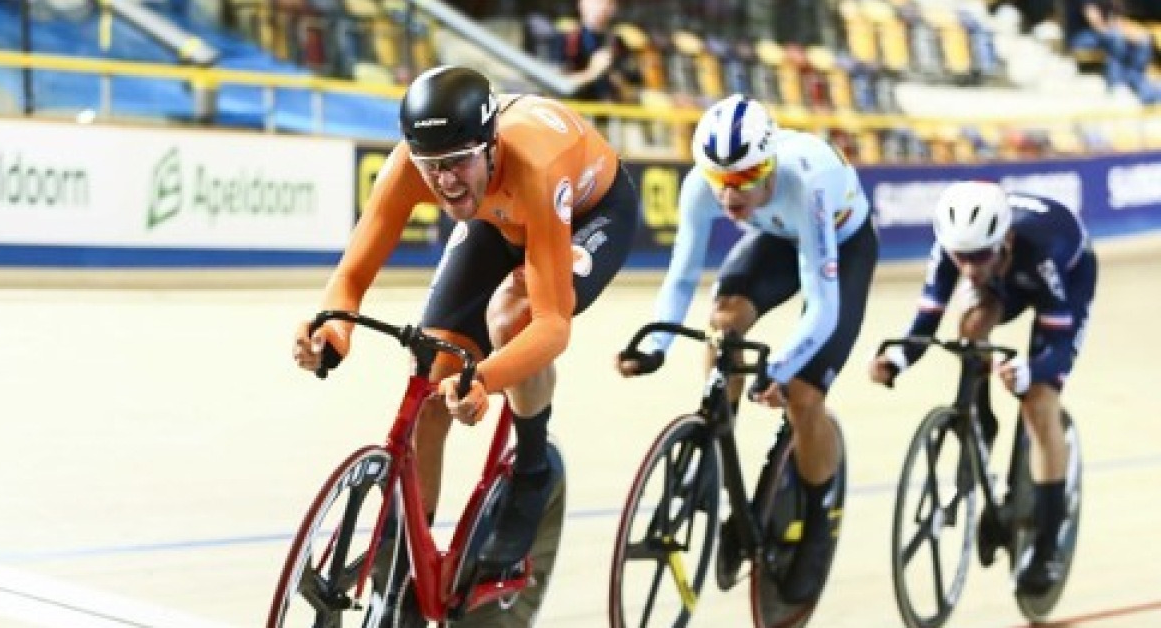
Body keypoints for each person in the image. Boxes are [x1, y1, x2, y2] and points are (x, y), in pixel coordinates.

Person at [292, 65, 639, 579]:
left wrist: (485, 378)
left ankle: (532, 470)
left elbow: (551, 325)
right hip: (500, 218)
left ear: (490, 145)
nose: (444, 180)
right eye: (431, 165)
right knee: (431, 370)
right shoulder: (413, 167)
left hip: (589, 214)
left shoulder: (533, 164)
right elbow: (351, 276)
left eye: (457, 163)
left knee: (514, 315)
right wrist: (333, 331)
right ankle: (404, 569)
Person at [616, 93, 878, 604]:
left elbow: (822, 307)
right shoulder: (704, 182)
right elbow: (683, 275)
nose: (728, 196)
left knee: (803, 395)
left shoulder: (809, 182)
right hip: (777, 239)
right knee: (724, 322)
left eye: (741, 180)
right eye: (719, 182)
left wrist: (780, 368)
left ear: (769, 164)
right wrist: (658, 344)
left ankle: (818, 520)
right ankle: (718, 431)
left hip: (841, 248)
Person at [869, 181, 1096, 596]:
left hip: (1066, 280)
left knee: (1038, 404)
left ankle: (1046, 546)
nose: (969, 268)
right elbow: (925, 321)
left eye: (979, 257)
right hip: (1006, 278)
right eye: (962, 258)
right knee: (970, 325)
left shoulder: (1043, 254)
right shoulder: (955, 247)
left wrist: (1031, 372)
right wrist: (897, 360)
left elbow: (1060, 347)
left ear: (1005, 238)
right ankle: (981, 417)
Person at [1064, 0, 1159, 102]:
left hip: (1105, 32)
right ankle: (1117, 84)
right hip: (1081, 37)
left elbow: (1116, 18)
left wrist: (1132, 34)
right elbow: (1093, 18)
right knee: (1116, 38)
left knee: (1143, 39)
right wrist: (1121, 33)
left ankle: (1138, 81)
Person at [558, 0, 639, 102]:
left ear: (613, 7)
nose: (600, 7)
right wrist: (591, 73)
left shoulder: (619, 42)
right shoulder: (566, 39)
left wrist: (621, 84)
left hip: (611, 112)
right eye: (594, 1)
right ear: (581, 4)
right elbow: (555, 83)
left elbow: (633, 88)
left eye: (605, 2)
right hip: (577, 110)